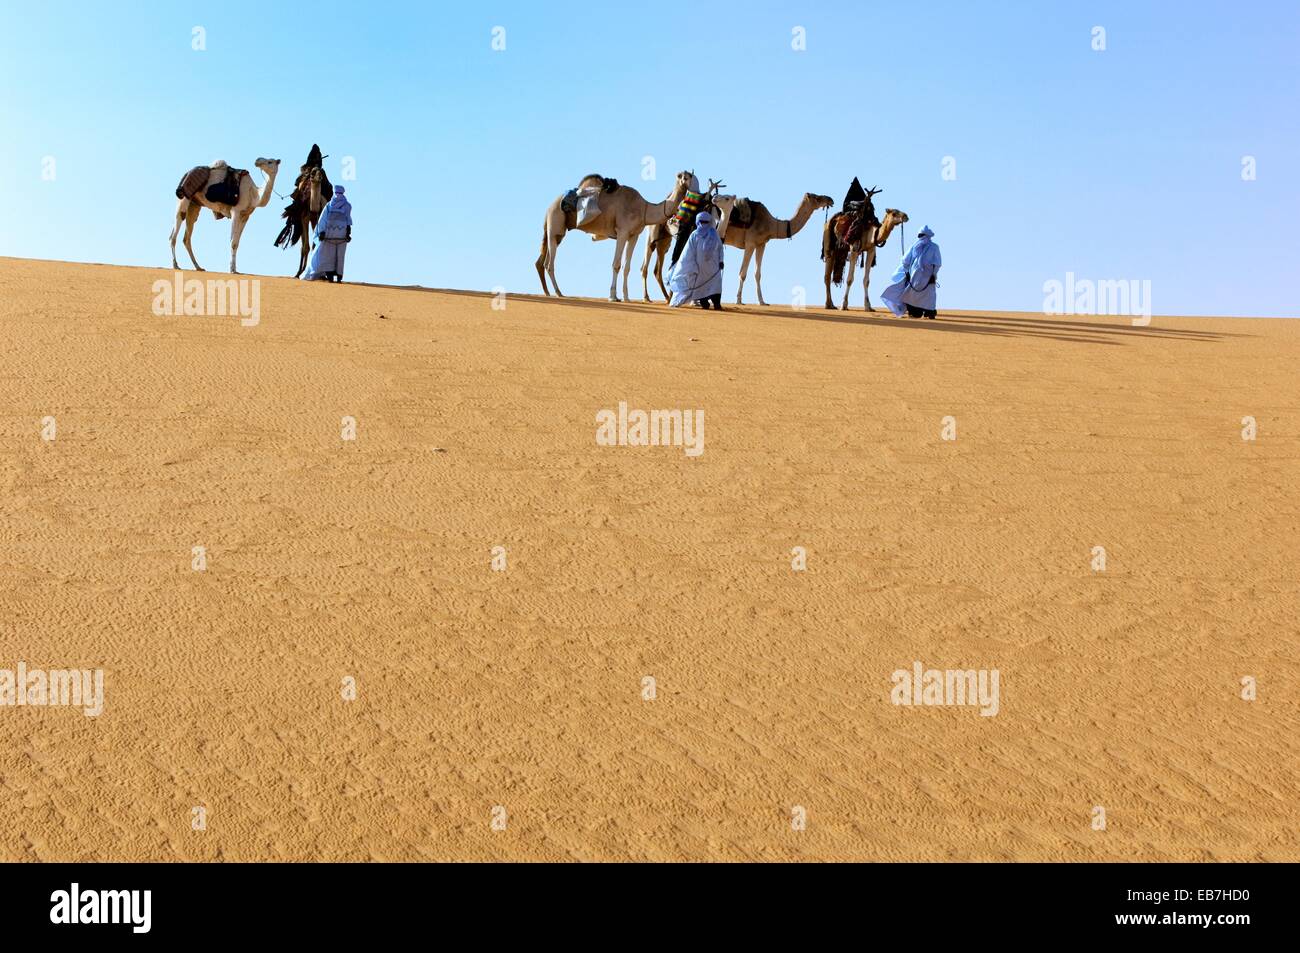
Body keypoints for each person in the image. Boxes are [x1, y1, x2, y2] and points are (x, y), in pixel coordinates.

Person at [667, 210, 724, 310]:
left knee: (715, 286)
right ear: (698, 222)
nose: (703, 225)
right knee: (701, 287)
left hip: (713, 268)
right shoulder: (694, 235)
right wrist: (690, 265)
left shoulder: (714, 234)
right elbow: (688, 253)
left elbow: (720, 248)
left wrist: (721, 261)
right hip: (700, 269)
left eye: (705, 222)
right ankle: (704, 303)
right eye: (702, 222)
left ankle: (717, 304)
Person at [881, 225, 941, 318]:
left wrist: (933, 274)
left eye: (922, 235)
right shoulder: (918, 247)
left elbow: (905, 260)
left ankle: (928, 312)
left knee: (925, 295)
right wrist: (907, 271)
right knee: (916, 295)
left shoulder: (930, 247)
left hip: (925, 277)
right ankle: (920, 311)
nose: (921, 237)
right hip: (917, 277)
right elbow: (906, 261)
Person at [302, 185, 352, 282]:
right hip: (338, 235)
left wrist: (321, 232)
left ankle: (335, 278)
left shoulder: (330, 205)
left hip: (332, 235)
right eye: (337, 193)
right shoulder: (345, 205)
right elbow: (348, 220)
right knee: (336, 256)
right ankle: (336, 278)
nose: (338, 196)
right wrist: (348, 233)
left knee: (331, 256)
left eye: (339, 194)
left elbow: (323, 220)